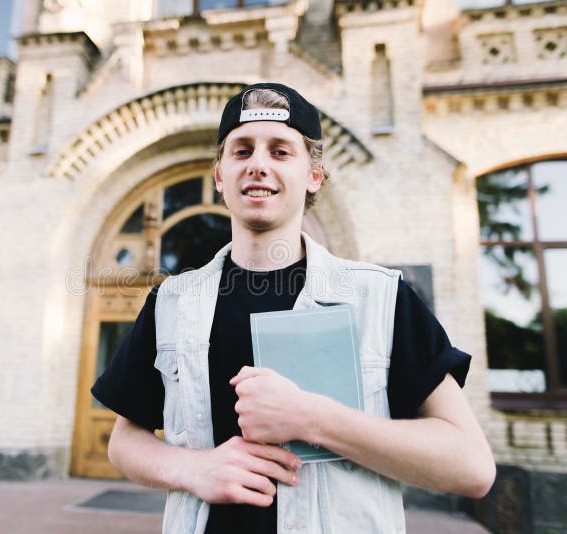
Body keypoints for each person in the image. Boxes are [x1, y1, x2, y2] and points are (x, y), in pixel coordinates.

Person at [92, 82, 495, 533]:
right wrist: (194, 469)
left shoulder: (380, 299)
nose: (258, 165)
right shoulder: (172, 302)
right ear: (220, 176)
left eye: (280, 152)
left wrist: (312, 417)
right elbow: (124, 442)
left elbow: (472, 466)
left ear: (314, 176)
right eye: (241, 151)